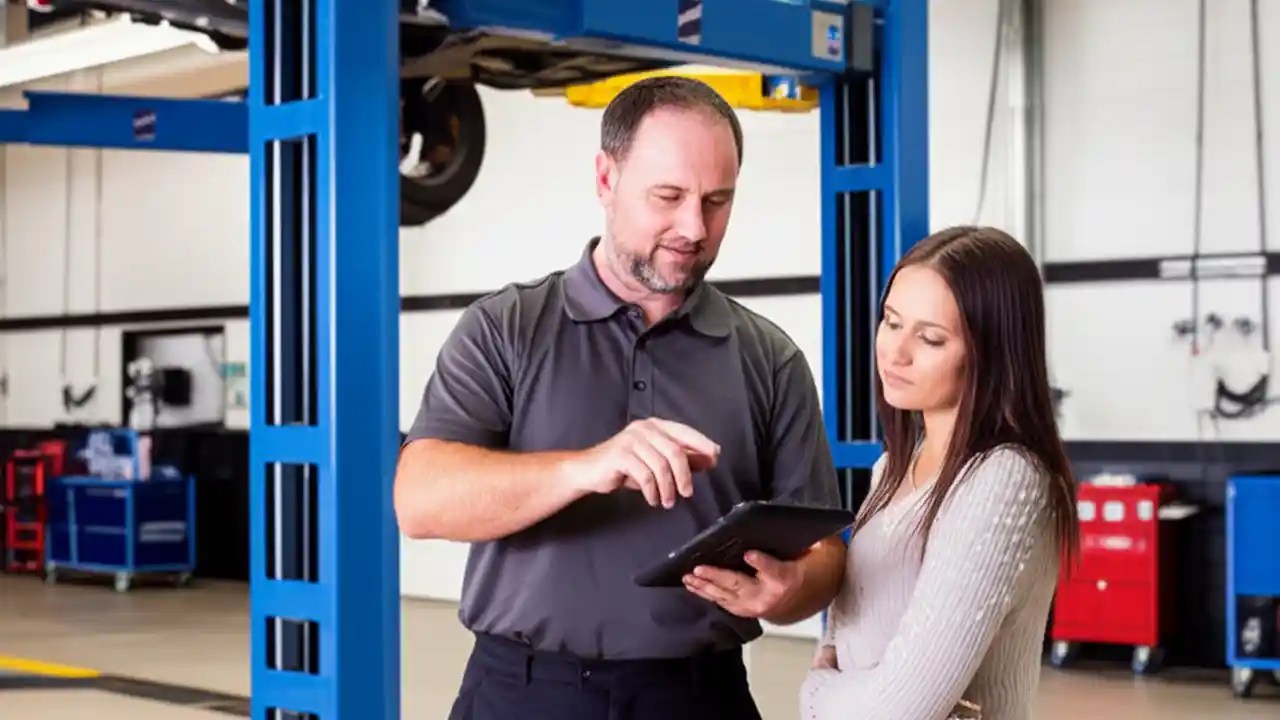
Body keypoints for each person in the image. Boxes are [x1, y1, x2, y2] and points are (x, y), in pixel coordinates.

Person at [394, 75, 847, 720]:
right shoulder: (507, 328)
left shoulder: (769, 359)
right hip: (524, 694)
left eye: (717, 200)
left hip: (699, 698)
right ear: (606, 179)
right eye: (668, 195)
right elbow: (419, 501)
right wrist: (587, 466)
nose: (694, 226)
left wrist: (794, 588)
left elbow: (824, 550)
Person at [800, 226, 1079, 720]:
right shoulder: (893, 468)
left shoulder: (1004, 481)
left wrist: (817, 693)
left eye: (930, 338)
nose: (896, 352)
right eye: (890, 322)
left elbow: (897, 710)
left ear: (990, 353)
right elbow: (849, 629)